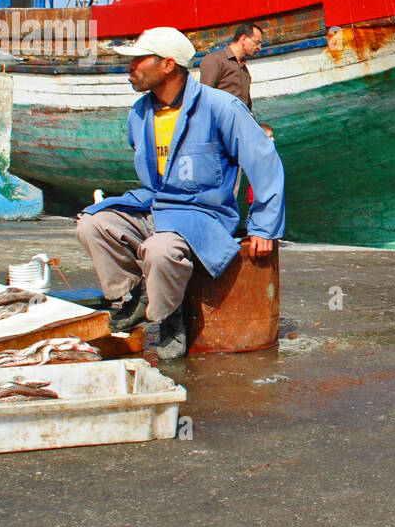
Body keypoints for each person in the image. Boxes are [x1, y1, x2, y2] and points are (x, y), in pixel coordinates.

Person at [77, 26, 284, 360]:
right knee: (92, 224)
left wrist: (264, 226)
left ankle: (166, 316)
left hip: (203, 215)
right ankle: (131, 298)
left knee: (159, 251)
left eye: (138, 61)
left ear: (168, 65)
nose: (130, 68)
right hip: (158, 206)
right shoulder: (139, 112)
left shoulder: (221, 107)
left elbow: (265, 163)